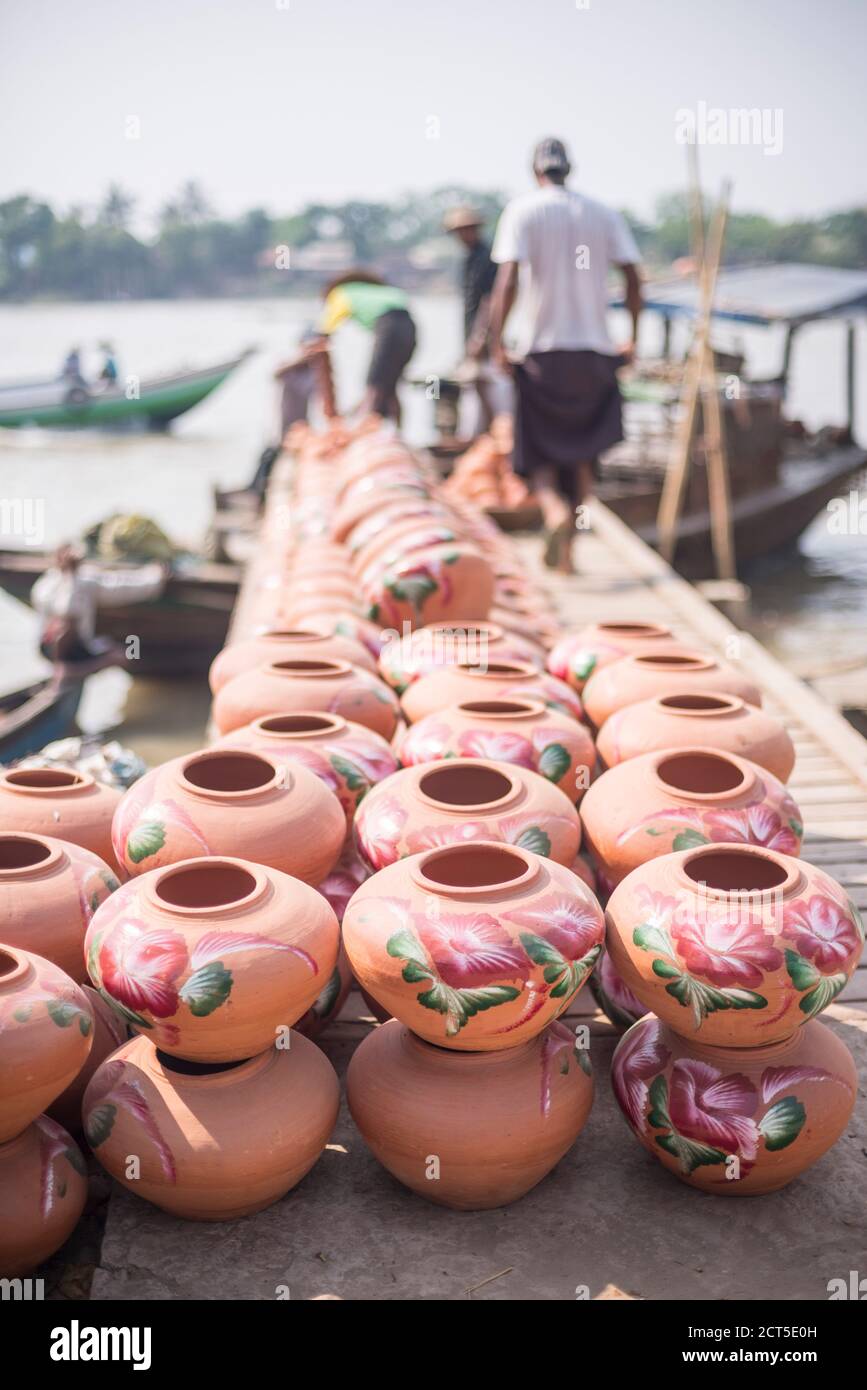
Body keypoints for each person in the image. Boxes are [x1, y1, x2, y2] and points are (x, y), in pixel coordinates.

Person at [488, 136, 643, 571]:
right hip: (595, 352)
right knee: (582, 454)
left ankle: (554, 512)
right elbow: (633, 276)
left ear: (535, 171)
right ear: (569, 169)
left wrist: (497, 341)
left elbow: (507, 282)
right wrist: (633, 337)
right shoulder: (603, 213)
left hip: (542, 352)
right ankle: (570, 553)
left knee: (537, 449)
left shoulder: (523, 211)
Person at [32, 544, 167, 673]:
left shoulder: (48, 585)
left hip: (75, 653)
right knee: (120, 656)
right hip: (70, 655)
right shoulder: (48, 586)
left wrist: (154, 577)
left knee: (122, 655)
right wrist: (155, 577)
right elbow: (68, 610)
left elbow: (121, 587)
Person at [316, 270, 416, 422]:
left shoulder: (340, 293)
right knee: (390, 385)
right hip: (410, 326)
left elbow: (326, 329)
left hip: (388, 327)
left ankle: (368, 425)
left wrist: (318, 343)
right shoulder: (380, 292)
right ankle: (394, 430)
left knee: (374, 383)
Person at [444, 205, 500, 430]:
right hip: (473, 334)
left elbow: (490, 299)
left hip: (485, 337)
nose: (463, 236)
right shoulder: (469, 259)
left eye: (467, 230)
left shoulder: (487, 258)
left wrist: (480, 337)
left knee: (483, 384)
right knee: (474, 386)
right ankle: (483, 436)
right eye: (459, 232)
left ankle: (492, 435)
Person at [273, 327, 335, 437]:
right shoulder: (290, 365)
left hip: (303, 427)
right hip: (283, 428)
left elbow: (325, 402)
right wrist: (302, 358)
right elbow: (275, 374)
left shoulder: (316, 371)